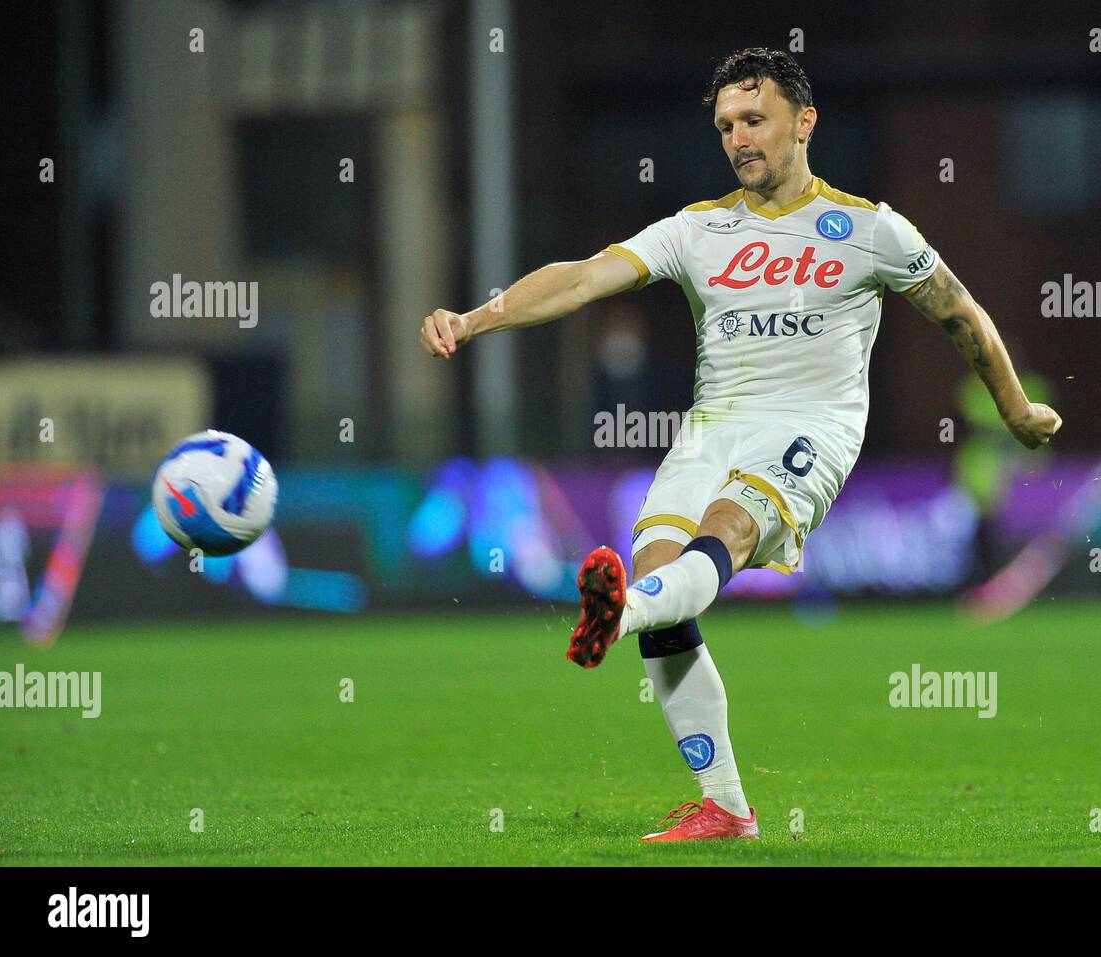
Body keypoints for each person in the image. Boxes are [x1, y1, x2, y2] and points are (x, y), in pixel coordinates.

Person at [421, 47, 1062, 842]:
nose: (739, 138)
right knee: (662, 588)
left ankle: (611, 619)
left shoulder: (871, 228)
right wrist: (474, 319)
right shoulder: (697, 229)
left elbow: (962, 313)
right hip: (708, 431)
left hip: (808, 429)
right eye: (726, 125)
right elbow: (584, 276)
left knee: (723, 530)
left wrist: (1018, 409)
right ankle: (725, 805)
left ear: (804, 122)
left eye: (754, 120)